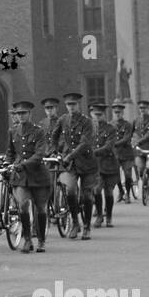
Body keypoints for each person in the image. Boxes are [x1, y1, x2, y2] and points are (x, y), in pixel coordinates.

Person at [5, 100, 50, 253]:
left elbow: (39, 154)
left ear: (30, 114)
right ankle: (27, 239)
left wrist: (23, 164)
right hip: (20, 177)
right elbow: (11, 152)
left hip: (38, 176)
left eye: (23, 113)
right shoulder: (13, 131)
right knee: (23, 205)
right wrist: (6, 163)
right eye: (18, 113)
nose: (21, 116)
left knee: (40, 209)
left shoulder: (39, 131)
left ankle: (42, 240)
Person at [57, 92, 98, 239]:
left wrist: (69, 156)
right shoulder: (63, 120)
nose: (71, 107)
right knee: (70, 191)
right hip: (70, 164)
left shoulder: (87, 122)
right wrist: (55, 153)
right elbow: (53, 138)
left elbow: (84, 143)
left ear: (78, 105)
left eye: (73, 104)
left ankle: (87, 226)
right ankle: (75, 223)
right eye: (68, 105)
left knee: (87, 195)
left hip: (86, 162)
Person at [93, 103, 120, 227]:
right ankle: (99, 215)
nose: (97, 117)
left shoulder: (111, 129)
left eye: (100, 115)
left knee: (108, 192)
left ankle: (108, 216)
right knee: (97, 190)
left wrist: (92, 152)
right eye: (95, 114)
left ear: (104, 115)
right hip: (95, 165)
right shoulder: (89, 129)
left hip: (109, 164)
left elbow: (109, 146)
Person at [111, 101, 136, 203]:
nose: (117, 114)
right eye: (116, 112)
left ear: (122, 113)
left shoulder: (127, 125)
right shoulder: (110, 124)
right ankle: (121, 191)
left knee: (127, 175)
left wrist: (114, 143)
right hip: (115, 154)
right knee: (115, 175)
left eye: (119, 112)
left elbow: (126, 138)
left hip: (126, 153)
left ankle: (128, 194)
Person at [133, 99, 149, 191]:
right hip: (139, 150)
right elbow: (132, 132)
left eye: (144, 108)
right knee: (140, 169)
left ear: (148, 109)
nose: (142, 110)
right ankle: (145, 182)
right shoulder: (136, 120)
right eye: (140, 108)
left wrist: (139, 141)